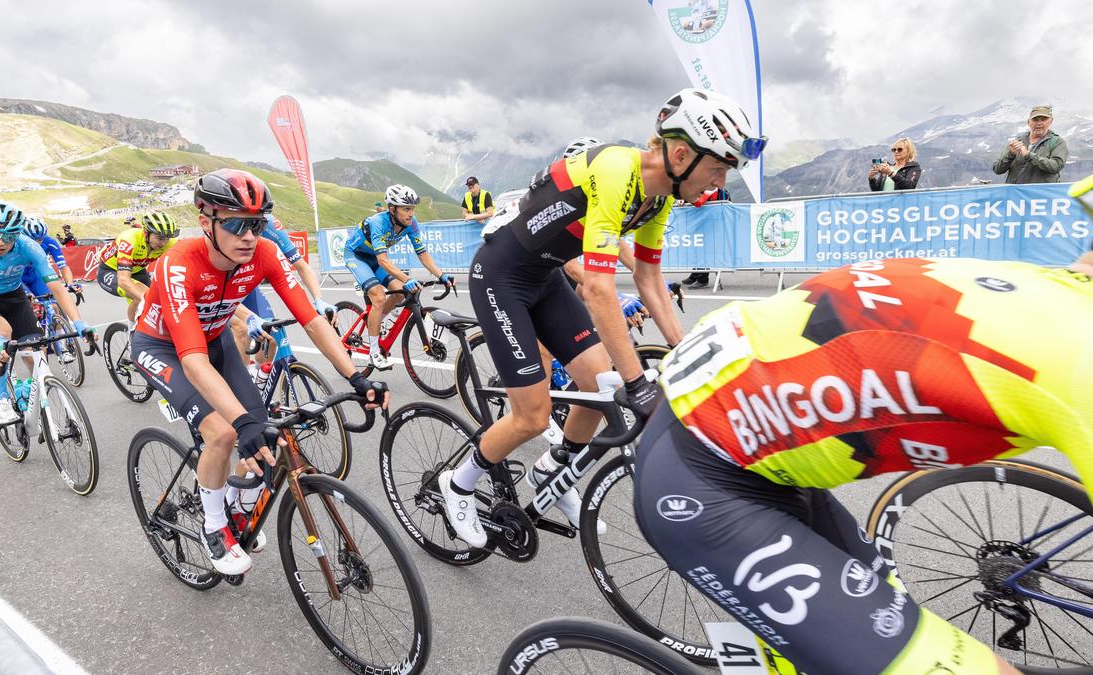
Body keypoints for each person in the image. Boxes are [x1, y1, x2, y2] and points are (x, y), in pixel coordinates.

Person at [631, 255, 1093, 675]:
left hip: (751, 436)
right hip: (701, 479)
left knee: (875, 625)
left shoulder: (1062, 287)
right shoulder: (1080, 369)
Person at [439, 88, 765, 546]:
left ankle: (554, 469)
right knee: (533, 415)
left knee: (597, 384)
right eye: (716, 168)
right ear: (680, 153)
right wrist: (638, 382)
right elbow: (597, 286)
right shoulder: (617, 169)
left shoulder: (659, 197)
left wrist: (687, 351)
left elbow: (649, 280)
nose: (716, 181)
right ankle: (458, 482)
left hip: (545, 277)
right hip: (501, 277)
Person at [130, 169, 387, 575]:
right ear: (205, 223)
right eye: (235, 223)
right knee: (226, 432)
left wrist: (355, 376)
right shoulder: (177, 264)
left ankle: (234, 505)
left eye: (257, 224)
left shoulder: (264, 253)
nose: (249, 235)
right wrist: (241, 421)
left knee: (266, 436)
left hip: (214, 341)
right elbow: (193, 360)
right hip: (162, 348)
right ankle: (213, 526)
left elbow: (312, 320)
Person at [0, 201, 93, 425]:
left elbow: (56, 287)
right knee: (2, 332)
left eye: (9, 236)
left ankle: (29, 388)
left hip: (14, 295)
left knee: (36, 349)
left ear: (17, 234)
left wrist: (78, 322)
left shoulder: (28, 246)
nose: (1, 242)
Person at [343, 184, 454, 370]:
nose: (411, 214)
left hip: (376, 260)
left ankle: (377, 322)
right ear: (392, 209)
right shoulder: (378, 222)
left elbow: (422, 253)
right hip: (357, 256)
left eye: (412, 209)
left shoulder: (412, 223)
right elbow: (383, 260)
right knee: (378, 297)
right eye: (406, 209)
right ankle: (374, 352)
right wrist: (406, 278)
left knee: (399, 294)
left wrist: (441, 275)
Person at [229, 213, 336, 370]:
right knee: (241, 328)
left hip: (248, 287)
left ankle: (258, 377)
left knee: (269, 333)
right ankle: (243, 383)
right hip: (223, 291)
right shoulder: (227, 223)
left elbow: (302, 266)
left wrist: (318, 299)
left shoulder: (270, 224)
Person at [96, 211, 177, 322]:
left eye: (167, 238)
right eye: (160, 238)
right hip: (110, 270)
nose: (164, 243)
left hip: (138, 271)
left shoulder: (169, 242)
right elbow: (123, 279)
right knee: (144, 297)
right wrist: (146, 299)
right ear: (146, 233)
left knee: (158, 298)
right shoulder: (129, 239)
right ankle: (132, 331)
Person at [993, 105, 1068, 184]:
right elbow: (997, 170)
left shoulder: (1057, 142)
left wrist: (1028, 155)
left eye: (1043, 119)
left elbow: (1055, 167)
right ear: (1029, 122)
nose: (1039, 123)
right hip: (1015, 193)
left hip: (1042, 194)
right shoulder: (1018, 141)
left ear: (1051, 121)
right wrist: (1010, 154)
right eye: (1035, 119)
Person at [21, 217, 81, 304]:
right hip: (17, 278)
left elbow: (63, 266)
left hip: (35, 276)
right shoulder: (16, 244)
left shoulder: (49, 242)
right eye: (33, 240)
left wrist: (70, 283)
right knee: (27, 305)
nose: (37, 243)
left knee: (52, 304)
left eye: (40, 239)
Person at [680, 187, 732, 288]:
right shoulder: (703, 185)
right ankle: (695, 275)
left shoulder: (711, 187)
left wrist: (687, 197)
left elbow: (699, 202)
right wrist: (684, 199)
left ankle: (703, 279)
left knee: (704, 250)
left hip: (712, 224)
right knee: (698, 249)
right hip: (704, 222)